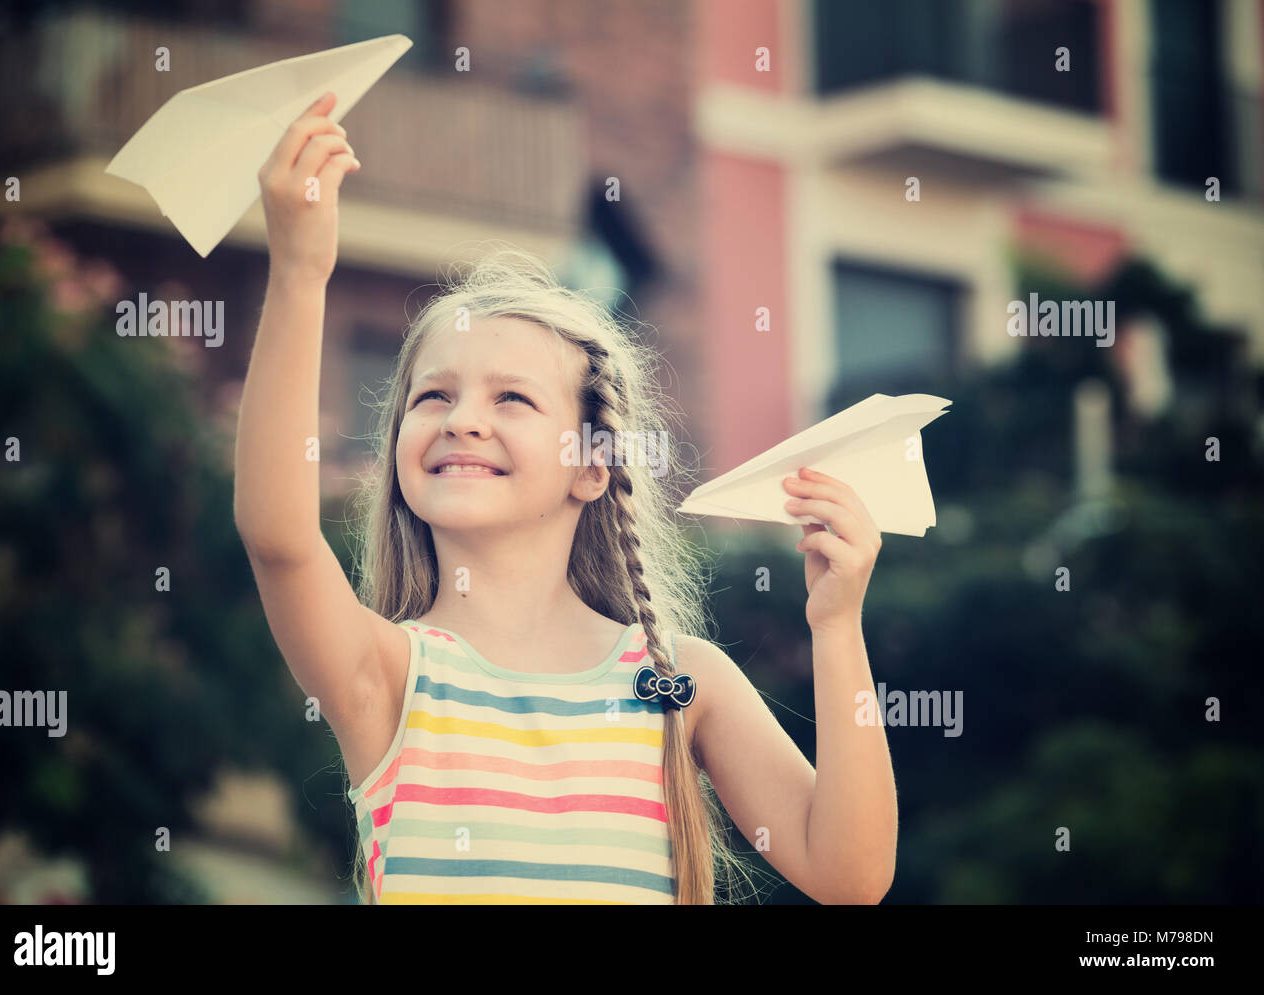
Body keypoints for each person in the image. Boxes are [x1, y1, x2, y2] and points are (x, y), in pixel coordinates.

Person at [234, 92, 897, 905]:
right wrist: (300, 270)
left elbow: (852, 875)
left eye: (511, 399)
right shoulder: (391, 677)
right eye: (432, 396)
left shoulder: (682, 682)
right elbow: (279, 537)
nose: (463, 420)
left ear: (591, 465)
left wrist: (838, 626)